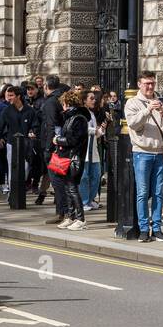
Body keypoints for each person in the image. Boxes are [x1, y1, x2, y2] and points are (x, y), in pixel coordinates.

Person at [124, 70, 163, 242]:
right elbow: (133, 124)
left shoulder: (160, 102)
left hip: (159, 153)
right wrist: (147, 110)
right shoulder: (132, 103)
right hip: (142, 153)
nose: (150, 86)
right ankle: (144, 229)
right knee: (143, 192)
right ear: (139, 84)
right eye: (147, 83)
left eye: (152, 83)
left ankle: (157, 228)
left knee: (159, 192)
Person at [52, 89, 89, 229]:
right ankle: (71, 216)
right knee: (68, 188)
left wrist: (57, 139)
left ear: (67, 103)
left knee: (72, 188)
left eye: (63, 103)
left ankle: (81, 219)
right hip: (67, 157)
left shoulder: (78, 119)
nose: (62, 106)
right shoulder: (70, 117)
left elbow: (73, 140)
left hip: (74, 158)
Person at [0, 84, 39, 195]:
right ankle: (13, 193)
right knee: (11, 169)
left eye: (11, 95)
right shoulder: (6, 111)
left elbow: (36, 126)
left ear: (18, 96)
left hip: (26, 145)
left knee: (26, 168)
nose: (8, 98)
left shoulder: (30, 111)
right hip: (11, 144)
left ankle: (19, 189)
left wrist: (33, 132)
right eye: (7, 95)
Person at [36, 75, 67, 220]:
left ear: (46, 87)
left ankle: (61, 212)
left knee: (56, 181)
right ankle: (64, 211)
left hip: (54, 146)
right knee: (63, 181)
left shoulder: (50, 102)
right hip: (63, 144)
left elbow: (51, 126)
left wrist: (49, 148)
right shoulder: (62, 98)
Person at [78, 89, 105, 211]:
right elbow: (82, 129)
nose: (94, 101)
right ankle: (84, 201)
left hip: (92, 148)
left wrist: (100, 131)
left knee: (96, 175)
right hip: (83, 148)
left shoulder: (92, 114)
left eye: (94, 98)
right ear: (84, 101)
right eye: (91, 98)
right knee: (84, 177)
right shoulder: (80, 113)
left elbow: (95, 133)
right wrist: (95, 131)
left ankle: (90, 199)